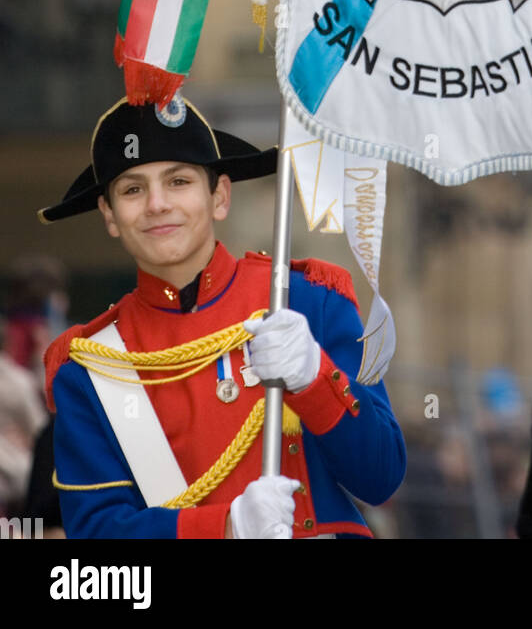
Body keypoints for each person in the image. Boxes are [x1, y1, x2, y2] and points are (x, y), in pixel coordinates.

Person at [38, 95, 406, 539]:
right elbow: (96, 534)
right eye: (133, 189)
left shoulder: (309, 302)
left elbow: (381, 477)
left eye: (178, 181)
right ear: (109, 215)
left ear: (220, 196)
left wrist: (315, 377)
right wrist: (225, 527)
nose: (157, 204)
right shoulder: (90, 366)